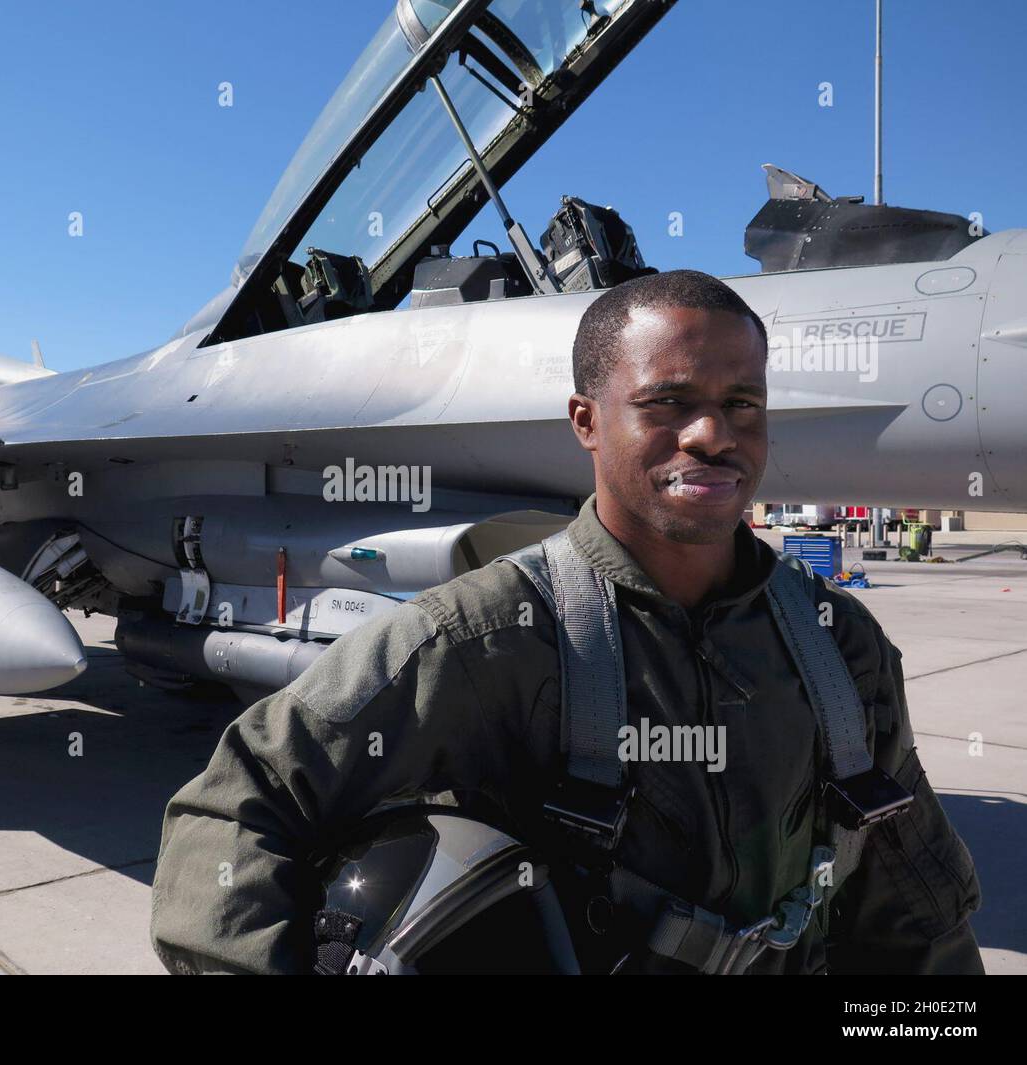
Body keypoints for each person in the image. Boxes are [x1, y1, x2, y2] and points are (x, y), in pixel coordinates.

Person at [149, 269, 983, 974]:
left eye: (742, 404)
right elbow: (239, 804)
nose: (712, 435)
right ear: (585, 420)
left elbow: (911, 900)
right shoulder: (484, 639)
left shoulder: (839, 646)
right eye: (668, 403)